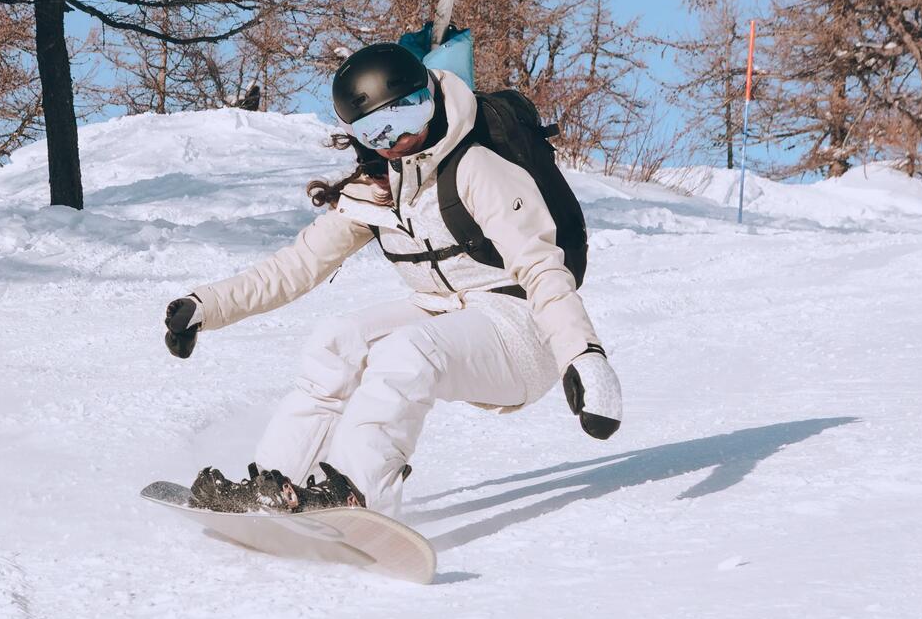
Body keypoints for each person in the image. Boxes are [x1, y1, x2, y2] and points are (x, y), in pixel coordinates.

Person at [162, 41, 623, 517]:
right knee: (336, 340)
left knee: (406, 351)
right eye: (376, 129)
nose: (397, 139)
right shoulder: (382, 187)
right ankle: (276, 484)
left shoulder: (478, 167)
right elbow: (296, 265)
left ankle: (358, 492)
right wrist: (207, 305)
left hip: (521, 330)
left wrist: (583, 356)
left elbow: (542, 266)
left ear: (431, 100)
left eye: (408, 116)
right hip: (449, 313)